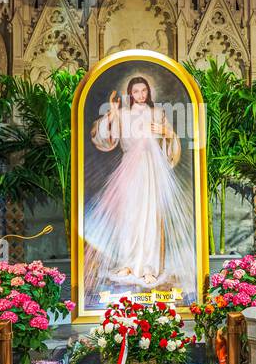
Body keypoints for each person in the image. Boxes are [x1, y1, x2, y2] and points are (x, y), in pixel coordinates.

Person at [83, 74, 197, 304]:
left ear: (148, 92)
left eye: (144, 91)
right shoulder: (123, 115)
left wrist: (167, 133)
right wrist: (114, 113)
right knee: (130, 216)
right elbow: (107, 139)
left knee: (150, 217)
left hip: (152, 170)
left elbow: (170, 145)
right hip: (129, 170)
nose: (141, 95)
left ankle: (148, 265)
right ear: (130, 94)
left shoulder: (158, 114)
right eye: (136, 92)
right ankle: (128, 262)